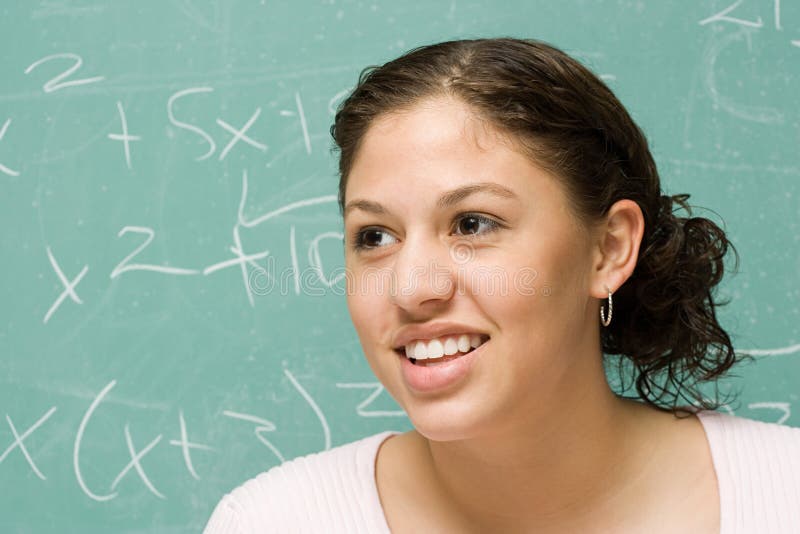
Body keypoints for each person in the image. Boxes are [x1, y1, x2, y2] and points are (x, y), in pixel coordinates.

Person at [204, 38, 800, 533]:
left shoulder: (784, 499)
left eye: (472, 224)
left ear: (609, 248)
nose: (412, 289)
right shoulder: (272, 520)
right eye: (375, 236)